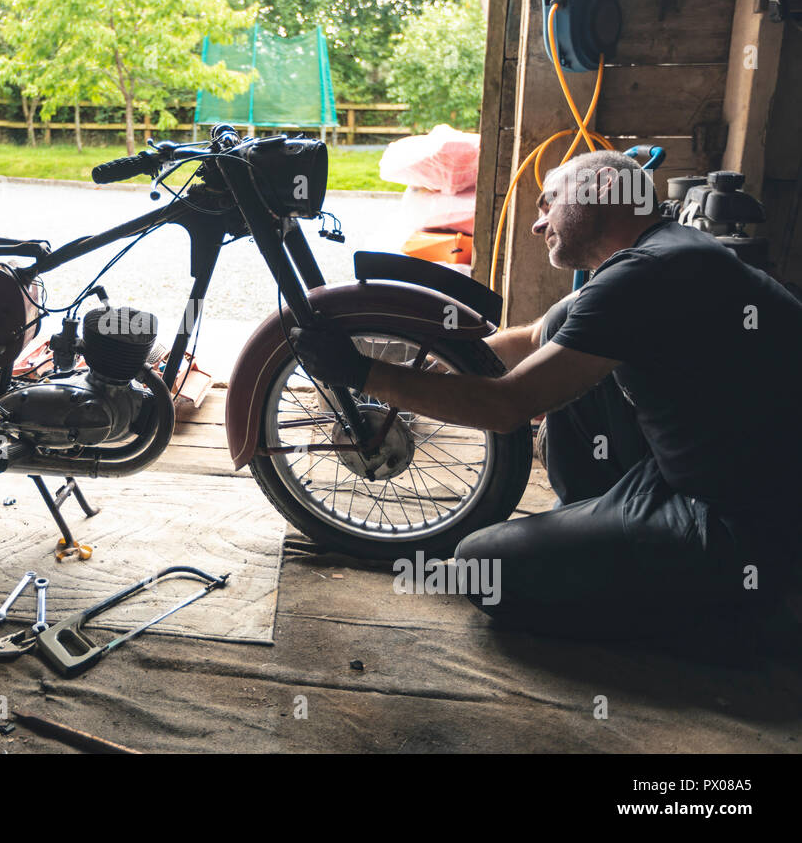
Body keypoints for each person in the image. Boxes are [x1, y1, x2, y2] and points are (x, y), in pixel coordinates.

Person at [293, 150, 802, 637]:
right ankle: (595, 528)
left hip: (738, 526)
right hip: (711, 474)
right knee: (562, 323)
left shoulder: (645, 274)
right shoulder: (666, 249)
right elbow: (532, 340)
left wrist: (362, 374)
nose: (538, 224)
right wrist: (408, 370)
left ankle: (713, 606)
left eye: (548, 201)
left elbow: (506, 406)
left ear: (604, 187)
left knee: (480, 564)